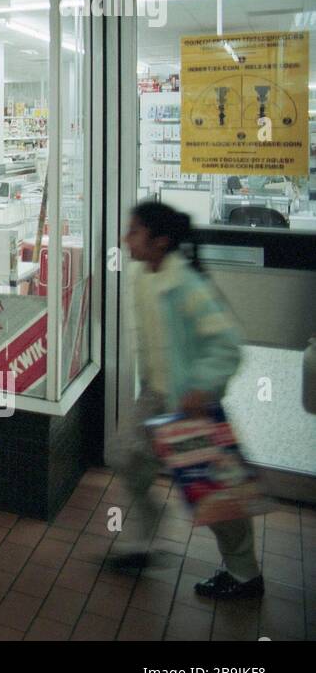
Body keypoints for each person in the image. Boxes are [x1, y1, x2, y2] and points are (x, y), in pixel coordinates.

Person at [111, 199, 263, 599]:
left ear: (160, 241)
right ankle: (145, 542)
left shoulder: (187, 287)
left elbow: (227, 346)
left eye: (134, 232)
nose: (126, 239)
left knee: (216, 496)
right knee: (128, 457)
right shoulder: (144, 273)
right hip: (156, 395)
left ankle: (245, 574)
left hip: (190, 402)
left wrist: (201, 386)